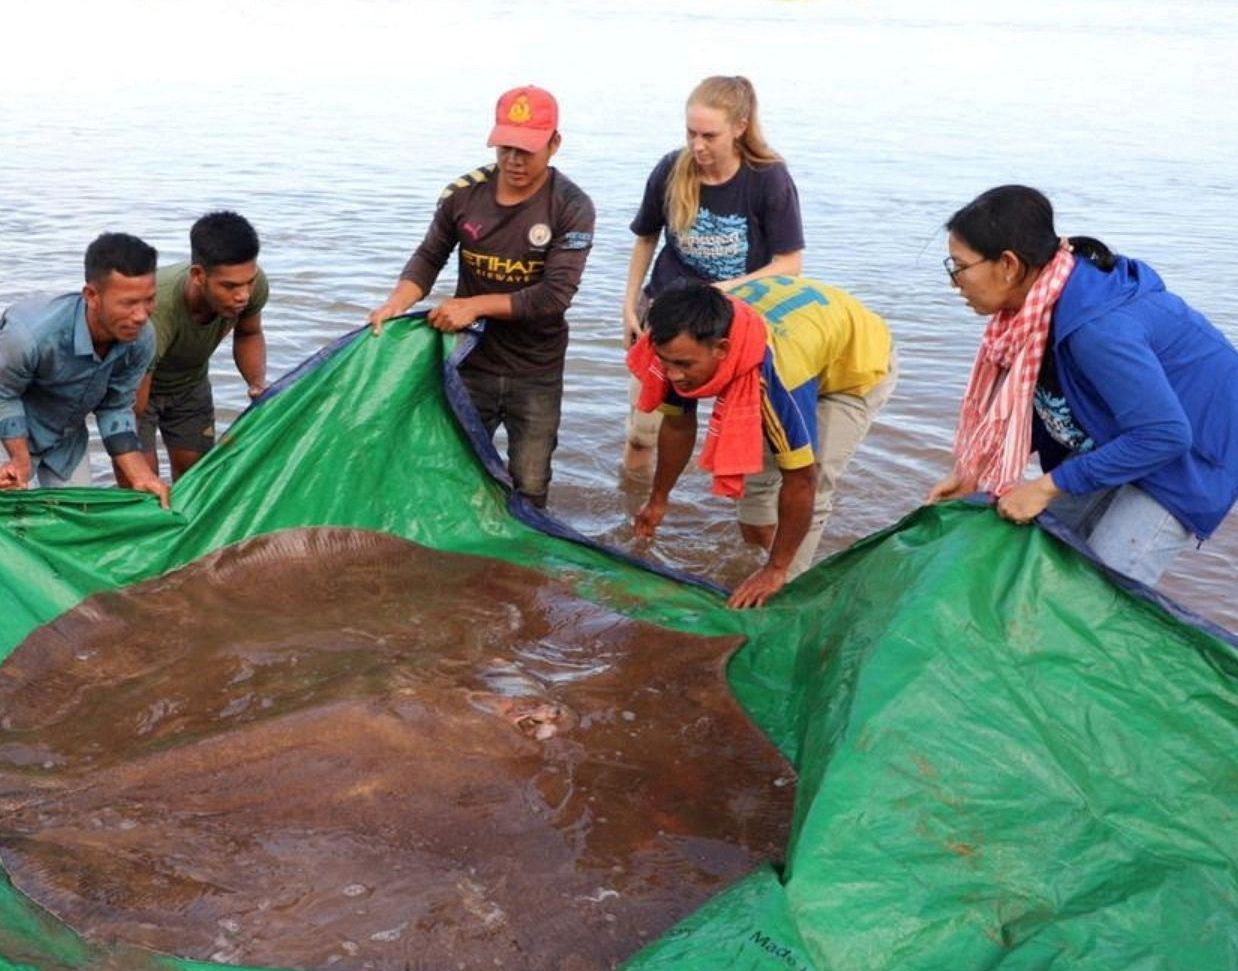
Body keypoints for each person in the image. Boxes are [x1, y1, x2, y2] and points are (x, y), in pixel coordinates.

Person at [927, 184, 1238, 584]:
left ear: (1009, 265)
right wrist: (973, 470)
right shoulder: (1033, 312)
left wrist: (1046, 487)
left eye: (958, 267)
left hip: (1195, 447)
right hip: (1129, 424)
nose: (955, 282)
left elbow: (1165, 435)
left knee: (1096, 591)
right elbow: (1053, 399)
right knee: (1040, 550)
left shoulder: (1095, 330)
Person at [367, 84, 596, 509]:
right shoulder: (463, 194)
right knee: (453, 474)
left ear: (555, 143)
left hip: (536, 370)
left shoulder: (572, 207)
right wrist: (397, 301)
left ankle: (523, 562)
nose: (513, 160)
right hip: (471, 362)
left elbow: (553, 297)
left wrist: (473, 306)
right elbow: (429, 256)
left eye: (526, 149)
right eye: (505, 147)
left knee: (529, 482)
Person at [629, 278, 896, 608]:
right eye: (667, 363)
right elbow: (678, 426)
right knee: (755, 485)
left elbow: (801, 480)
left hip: (853, 370)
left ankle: (786, 588)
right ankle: (760, 559)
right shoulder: (675, 353)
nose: (673, 376)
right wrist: (658, 500)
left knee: (817, 474)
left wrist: (776, 569)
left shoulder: (778, 377)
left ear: (722, 349)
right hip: (808, 336)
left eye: (684, 365)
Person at [622, 76, 804, 474]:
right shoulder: (672, 168)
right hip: (667, 312)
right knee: (643, 432)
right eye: (691, 133)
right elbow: (646, 236)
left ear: (740, 127)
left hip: (733, 319)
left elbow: (790, 263)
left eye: (709, 135)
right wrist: (630, 304)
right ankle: (636, 515)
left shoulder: (767, 178)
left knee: (748, 443)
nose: (698, 146)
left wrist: (722, 289)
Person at [0, 233, 171, 508]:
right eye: (128, 303)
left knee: (79, 513)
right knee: (21, 514)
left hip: (64, 426)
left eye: (149, 300)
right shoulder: (29, 335)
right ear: (92, 296)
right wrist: (20, 462)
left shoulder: (142, 338)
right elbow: (1, 394)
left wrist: (140, 474)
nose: (141, 315)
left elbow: (116, 406)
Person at [137, 211, 270, 481]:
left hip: (190, 384)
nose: (243, 295)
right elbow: (133, 400)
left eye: (249, 281)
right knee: (142, 487)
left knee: (196, 478)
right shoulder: (157, 310)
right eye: (230, 286)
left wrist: (257, 382)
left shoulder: (252, 288)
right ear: (198, 275)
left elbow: (249, 333)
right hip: (136, 389)